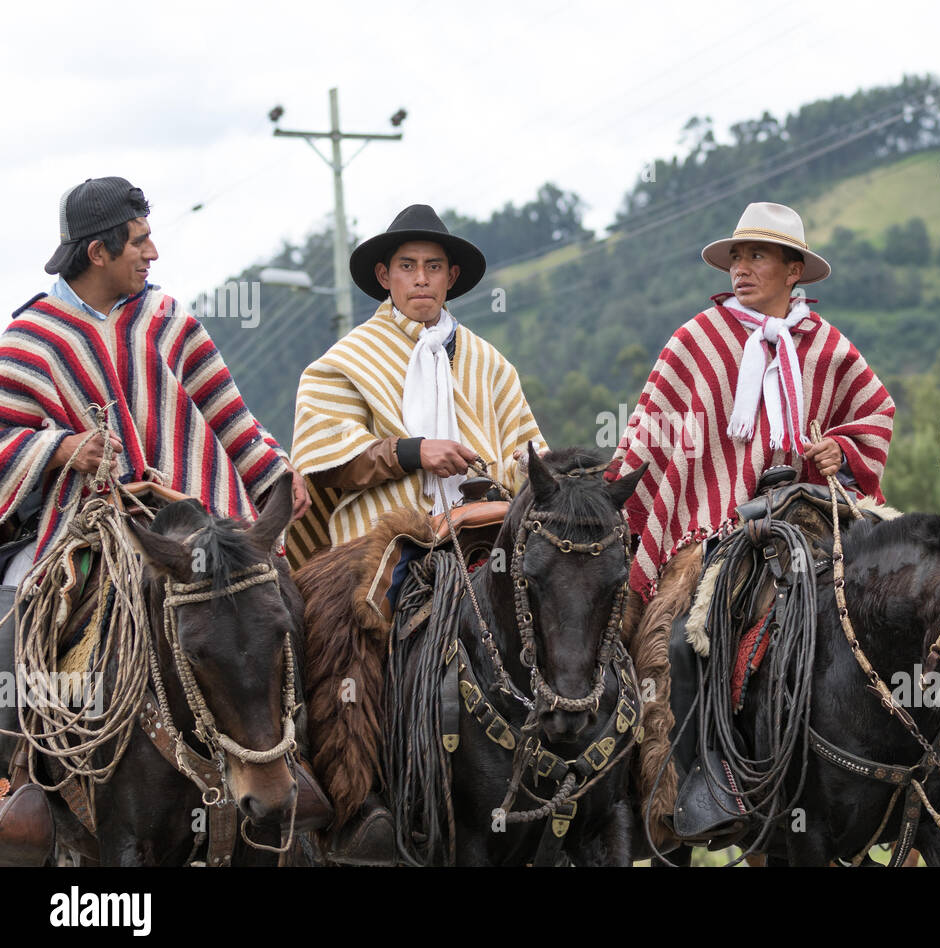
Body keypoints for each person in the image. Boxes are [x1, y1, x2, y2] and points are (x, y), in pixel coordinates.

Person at [0, 176, 311, 862]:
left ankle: (289, 757)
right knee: (19, 596)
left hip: (191, 513)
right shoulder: (30, 337)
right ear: (99, 250)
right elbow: (2, 437)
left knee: (270, 600)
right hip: (84, 527)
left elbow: (227, 409)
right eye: (140, 241)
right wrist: (59, 447)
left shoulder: (169, 319)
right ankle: (22, 776)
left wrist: (272, 473)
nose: (153, 254)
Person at [605, 201, 895, 844]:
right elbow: (648, 438)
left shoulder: (826, 346)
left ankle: (910, 777)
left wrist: (840, 451)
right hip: (713, 527)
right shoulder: (697, 340)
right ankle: (703, 785)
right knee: (685, 636)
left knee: (898, 600)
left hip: (813, 520)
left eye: (757, 256)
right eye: (736, 256)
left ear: (796, 270)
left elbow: (874, 410)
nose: (741, 267)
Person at [287, 204, 546, 568]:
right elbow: (328, 462)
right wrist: (414, 452)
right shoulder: (347, 360)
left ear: (451, 276)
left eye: (434, 267)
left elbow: (526, 458)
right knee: (354, 621)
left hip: (487, 537)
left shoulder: (492, 365)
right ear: (384, 275)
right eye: (407, 266)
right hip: (376, 548)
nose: (421, 278)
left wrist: (528, 467)